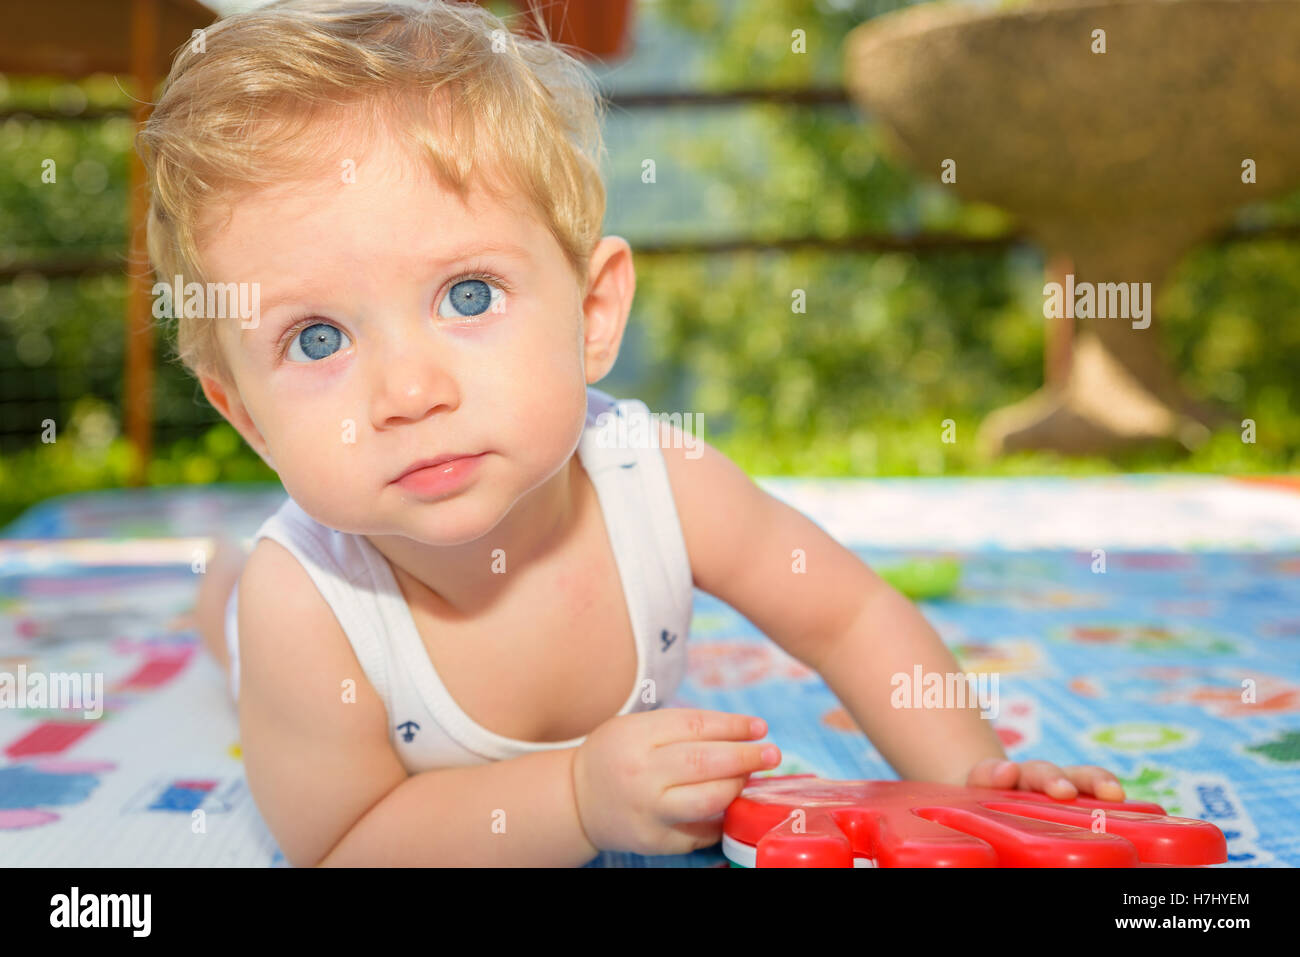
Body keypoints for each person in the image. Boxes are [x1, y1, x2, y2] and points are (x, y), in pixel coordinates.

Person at [144, 0, 1125, 867]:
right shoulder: (308, 607)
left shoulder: (654, 478)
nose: (407, 390)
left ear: (593, 312)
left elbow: (849, 616)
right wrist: (571, 799)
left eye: (468, 293)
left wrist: (969, 775)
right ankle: (216, 592)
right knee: (233, 626)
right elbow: (346, 843)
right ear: (249, 420)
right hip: (276, 646)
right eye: (317, 338)